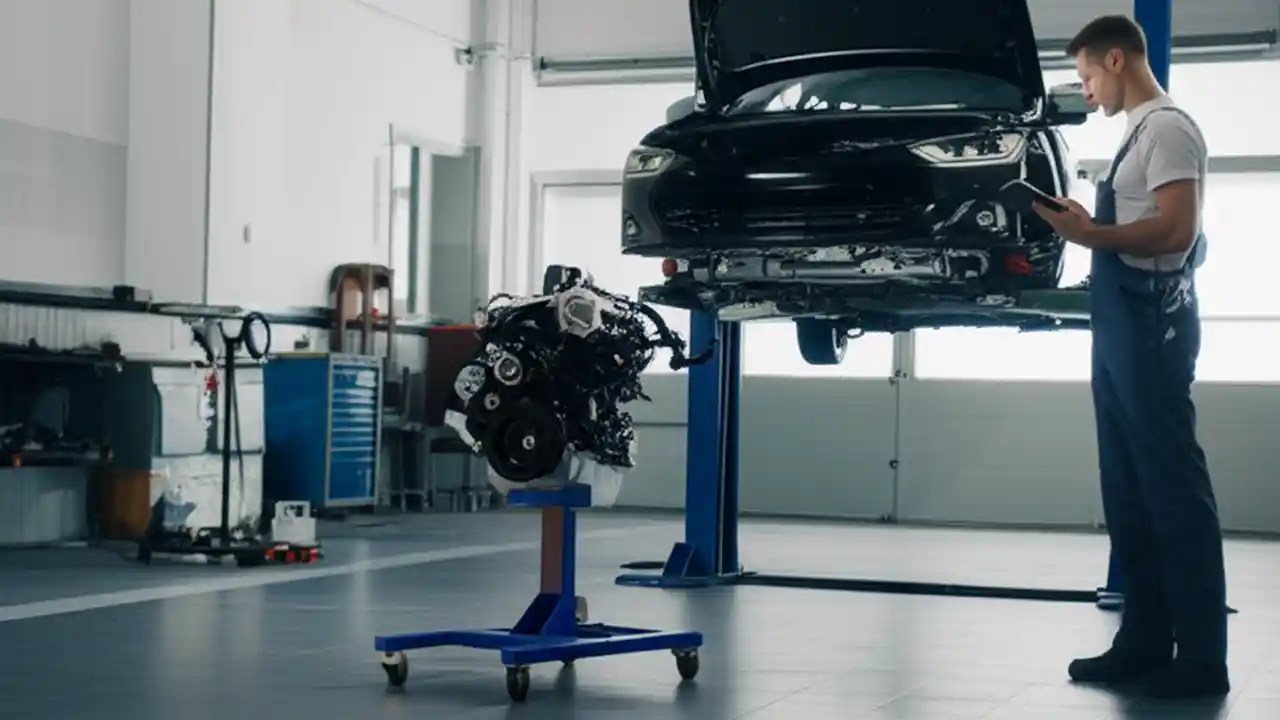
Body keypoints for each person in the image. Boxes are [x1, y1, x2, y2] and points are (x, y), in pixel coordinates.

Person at [1032, 15, 1229, 699]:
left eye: (1087, 75)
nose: (1084, 89)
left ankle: (1203, 658)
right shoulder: (1137, 134)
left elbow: (1177, 228)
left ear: (1116, 60)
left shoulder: (1169, 127)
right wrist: (1087, 227)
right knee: (1129, 491)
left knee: (1172, 490)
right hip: (1121, 326)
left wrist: (1090, 234)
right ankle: (1143, 643)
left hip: (1153, 326)